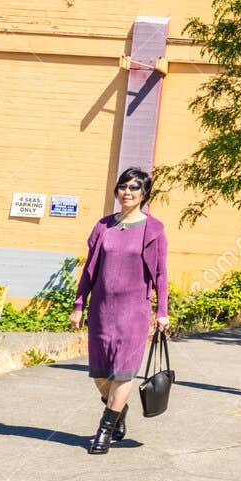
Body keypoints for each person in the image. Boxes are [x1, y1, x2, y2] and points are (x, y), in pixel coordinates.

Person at [69, 167, 169, 455]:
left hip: (134, 311)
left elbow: (161, 274)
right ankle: (118, 410)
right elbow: (89, 271)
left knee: (123, 372)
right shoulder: (104, 226)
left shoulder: (154, 229)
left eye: (134, 188)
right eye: (123, 187)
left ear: (144, 194)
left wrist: (162, 311)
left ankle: (104, 430)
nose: (127, 192)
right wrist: (79, 305)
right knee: (101, 374)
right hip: (102, 309)